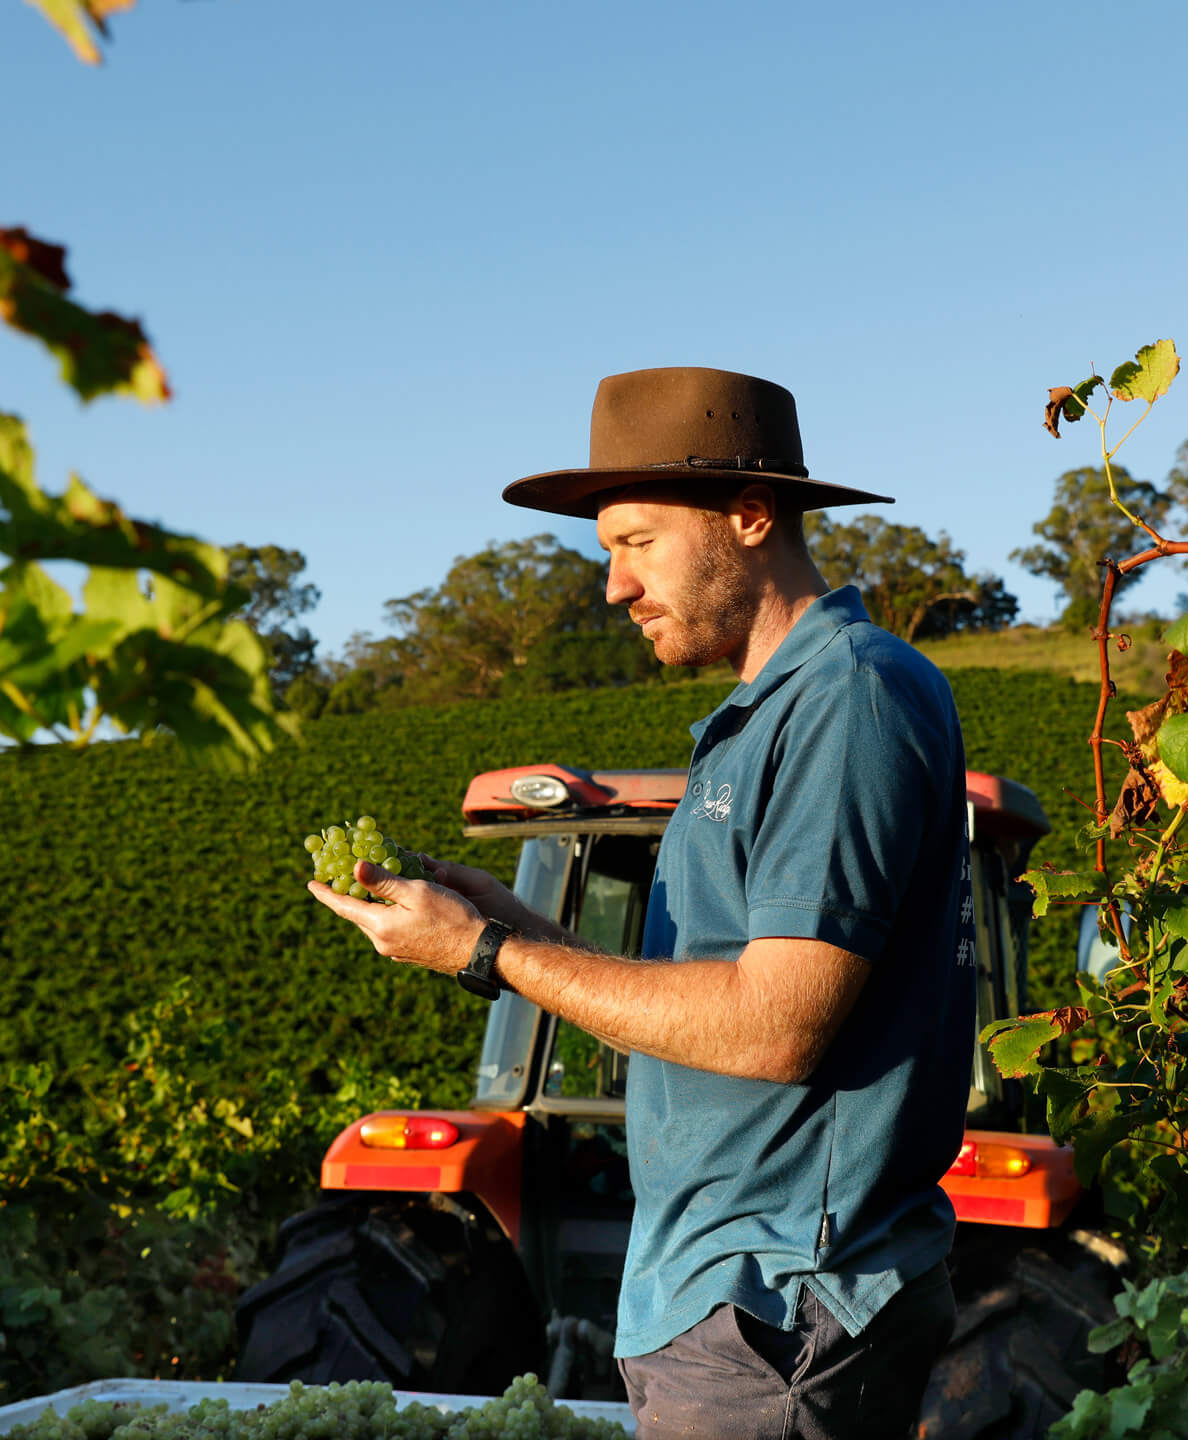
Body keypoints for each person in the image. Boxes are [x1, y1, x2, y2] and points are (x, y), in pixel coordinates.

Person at [308, 366, 977, 1439]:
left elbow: (776, 1024)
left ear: (751, 516)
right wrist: (509, 916)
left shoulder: (849, 694)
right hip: (716, 1291)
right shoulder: (759, 718)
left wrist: (486, 952)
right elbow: (699, 990)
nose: (614, 587)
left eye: (637, 543)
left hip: (778, 1300)